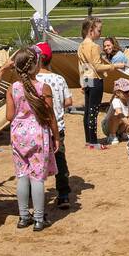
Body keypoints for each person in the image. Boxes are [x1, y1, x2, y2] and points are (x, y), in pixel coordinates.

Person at [8, 46, 60, 231]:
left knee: (22, 175)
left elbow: (9, 115)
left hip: (18, 134)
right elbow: (50, 115)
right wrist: (56, 136)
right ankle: (39, 218)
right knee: (37, 177)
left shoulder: (13, 88)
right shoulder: (43, 88)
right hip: (38, 133)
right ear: (36, 65)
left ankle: (23, 216)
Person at [36, 42, 74, 209]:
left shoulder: (32, 80)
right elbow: (68, 101)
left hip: (37, 127)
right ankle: (63, 194)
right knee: (59, 160)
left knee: (37, 162)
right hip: (57, 126)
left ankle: (36, 196)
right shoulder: (59, 79)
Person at [78, 17, 114, 150]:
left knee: (88, 111)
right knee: (93, 111)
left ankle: (89, 140)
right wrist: (113, 67)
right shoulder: (94, 46)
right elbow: (97, 67)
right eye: (99, 30)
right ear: (91, 30)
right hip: (95, 80)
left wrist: (82, 82)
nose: (101, 33)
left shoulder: (81, 45)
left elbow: (82, 66)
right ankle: (94, 141)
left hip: (86, 79)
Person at [105, 77, 129, 152]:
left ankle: (123, 133)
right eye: (125, 92)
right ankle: (112, 135)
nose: (128, 93)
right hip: (108, 126)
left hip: (121, 125)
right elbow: (120, 115)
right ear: (117, 93)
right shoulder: (116, 101)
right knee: (118, 116)